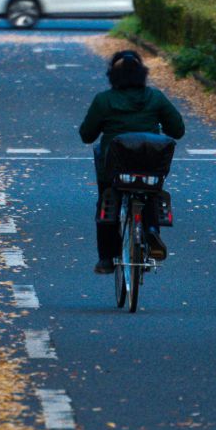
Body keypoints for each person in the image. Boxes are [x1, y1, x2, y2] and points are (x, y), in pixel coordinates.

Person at [79, 48, 185, 275]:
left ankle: (107, 258)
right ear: (141, 74)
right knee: (149, 191)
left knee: (107, 201)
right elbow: (178, 129)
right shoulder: (156, 97)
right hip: (150, 167)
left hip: (115, 170)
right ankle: (152, 230)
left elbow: (86, 135)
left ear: (113, 76)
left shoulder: (104, 100)